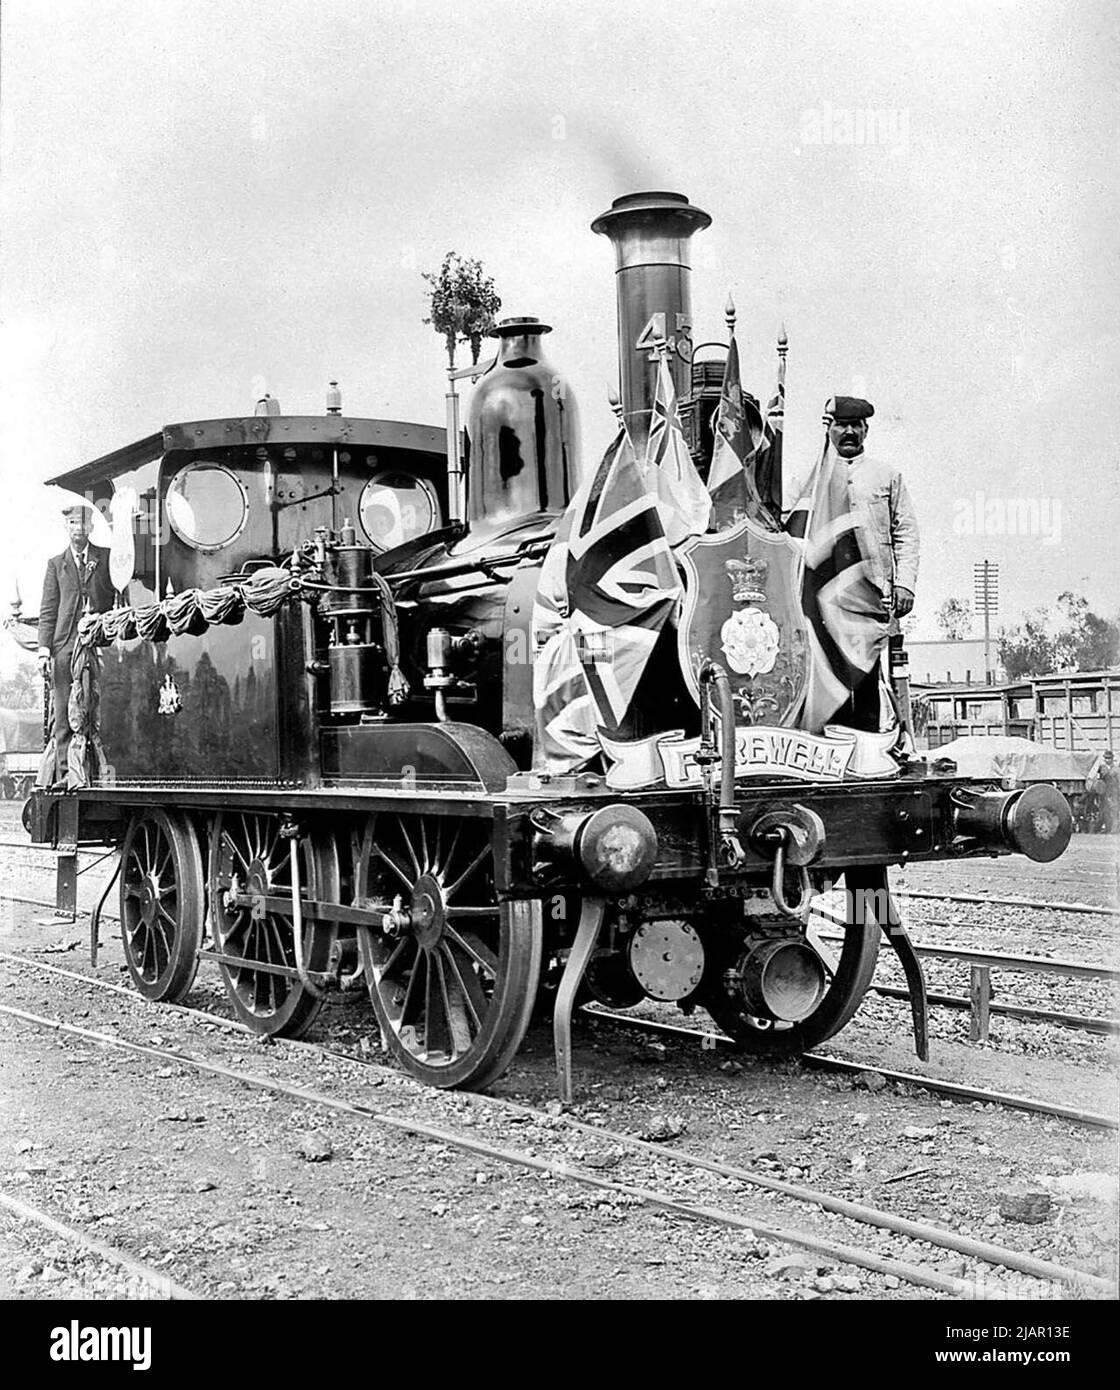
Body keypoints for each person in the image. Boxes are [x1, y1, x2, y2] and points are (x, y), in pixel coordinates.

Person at [826, 395, 920, 729]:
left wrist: (905, 584)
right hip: (827, 595)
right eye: (841, 425)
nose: (848, 432)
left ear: (865, 429)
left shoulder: (886, 476)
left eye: (855, 425)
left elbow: (906, 532)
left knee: (868, 675)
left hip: (872, 594)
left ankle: (867, 750)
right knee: (829, 676)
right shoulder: (812, 480)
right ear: (829, 429)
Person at [37, 501, 115, 782]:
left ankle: (97, 773)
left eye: (82, 524)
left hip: (98, 642)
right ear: (66, 527)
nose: (77, 529)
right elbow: (48, 610)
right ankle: (66, 776)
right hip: (64, 646)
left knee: (97, 709)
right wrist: (44, 651)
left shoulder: (106, 558)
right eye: (72, 524)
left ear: (91, 527)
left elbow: (117, 593)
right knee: (62, 713)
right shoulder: (56, 565)